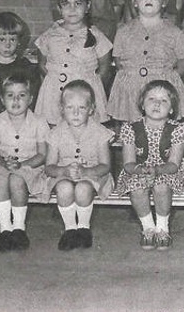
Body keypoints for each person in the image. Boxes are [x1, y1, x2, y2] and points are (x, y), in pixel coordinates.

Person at [117, 80, 184, 251]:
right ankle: (148, 228)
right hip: (138, 169)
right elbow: (128, 163)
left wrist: (156, 171)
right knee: (137, 188)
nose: (157, 103)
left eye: (164, 100)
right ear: (142, 104)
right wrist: (141, 170)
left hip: (167, 170)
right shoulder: (130, 128)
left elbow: (174, 164)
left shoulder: (178, 129)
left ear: (171, 109)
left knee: (162, 186)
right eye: (151, 99)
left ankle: (163, 229)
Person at [44, 80, 113, 251]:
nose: (75, 113)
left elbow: (105, 166)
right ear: (61, 109)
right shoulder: (55, 134)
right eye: (70, 108)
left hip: (94, 174)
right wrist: (64, 170)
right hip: (63, 174)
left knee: (82, 188)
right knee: (64, 188)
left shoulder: (100, 133)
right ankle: (69, 230)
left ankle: (83, 228)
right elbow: (49, 167)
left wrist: (86, 171)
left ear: (91, 109)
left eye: (81, 108)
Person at [108, 0, 184, 122]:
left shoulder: (175, 32)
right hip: (130, 92)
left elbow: (182, 63)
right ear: (134, 1)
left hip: (161, 91)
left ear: (164, 2)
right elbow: (118, 60)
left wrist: (166, 81)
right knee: (132, 133)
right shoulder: (123, 31)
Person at [35, 0, 113, 126]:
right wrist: (55, 80)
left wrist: (89, 86)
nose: (72, 9)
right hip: (54, 94)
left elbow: (105, 68)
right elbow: (42, 63)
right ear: (59, 8)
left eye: (78, 3)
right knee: (55, 135)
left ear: (87, 6)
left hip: (84, 95)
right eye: (66, 4)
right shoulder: (50, 34)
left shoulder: (96, 35)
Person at [0, 74, 49, 252]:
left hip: (31, 166)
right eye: (10, 95)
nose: (16, 100)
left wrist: (22, 165)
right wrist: (4, 163)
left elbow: (42, 154)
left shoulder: (39, 122)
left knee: (16, 180)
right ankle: (5, 229)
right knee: (0, 179)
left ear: (30, 99)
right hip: (2, 164)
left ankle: (19, 229)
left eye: (21, 95)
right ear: (2, 99)